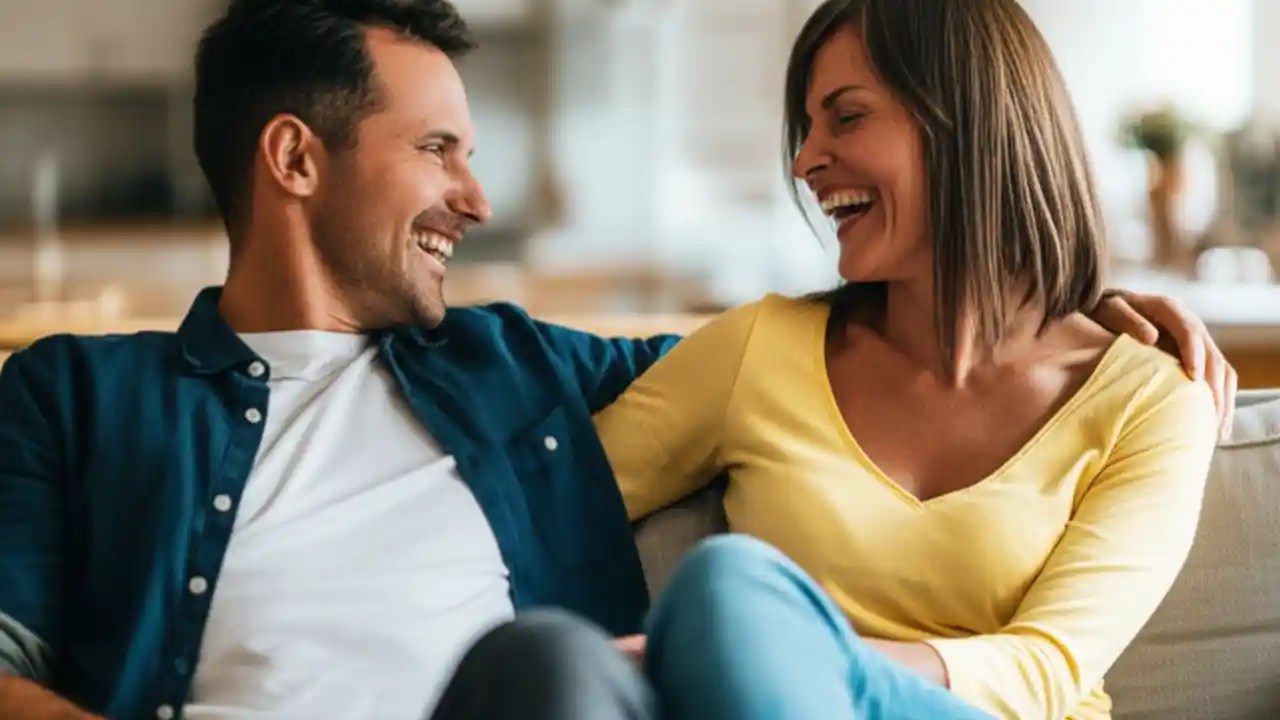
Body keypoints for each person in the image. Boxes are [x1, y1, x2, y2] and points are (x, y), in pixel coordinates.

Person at [0, 1, 1230, 719]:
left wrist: (1064, 304)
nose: (477, 198)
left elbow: (870, 367)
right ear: (294, 159)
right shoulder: (75, 398)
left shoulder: (512, 376)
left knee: (605, 640)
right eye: (437, 149)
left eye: (841, 116)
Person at [596, 1, 1225, 719]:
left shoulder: (1151, 400)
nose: (804, 162)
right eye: (807, 128)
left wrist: (786, 645)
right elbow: (536, 507)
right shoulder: (756, 352)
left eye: (847, 117)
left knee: (730, 591)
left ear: (966, 122)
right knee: (724, 590)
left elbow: (1046, 669)